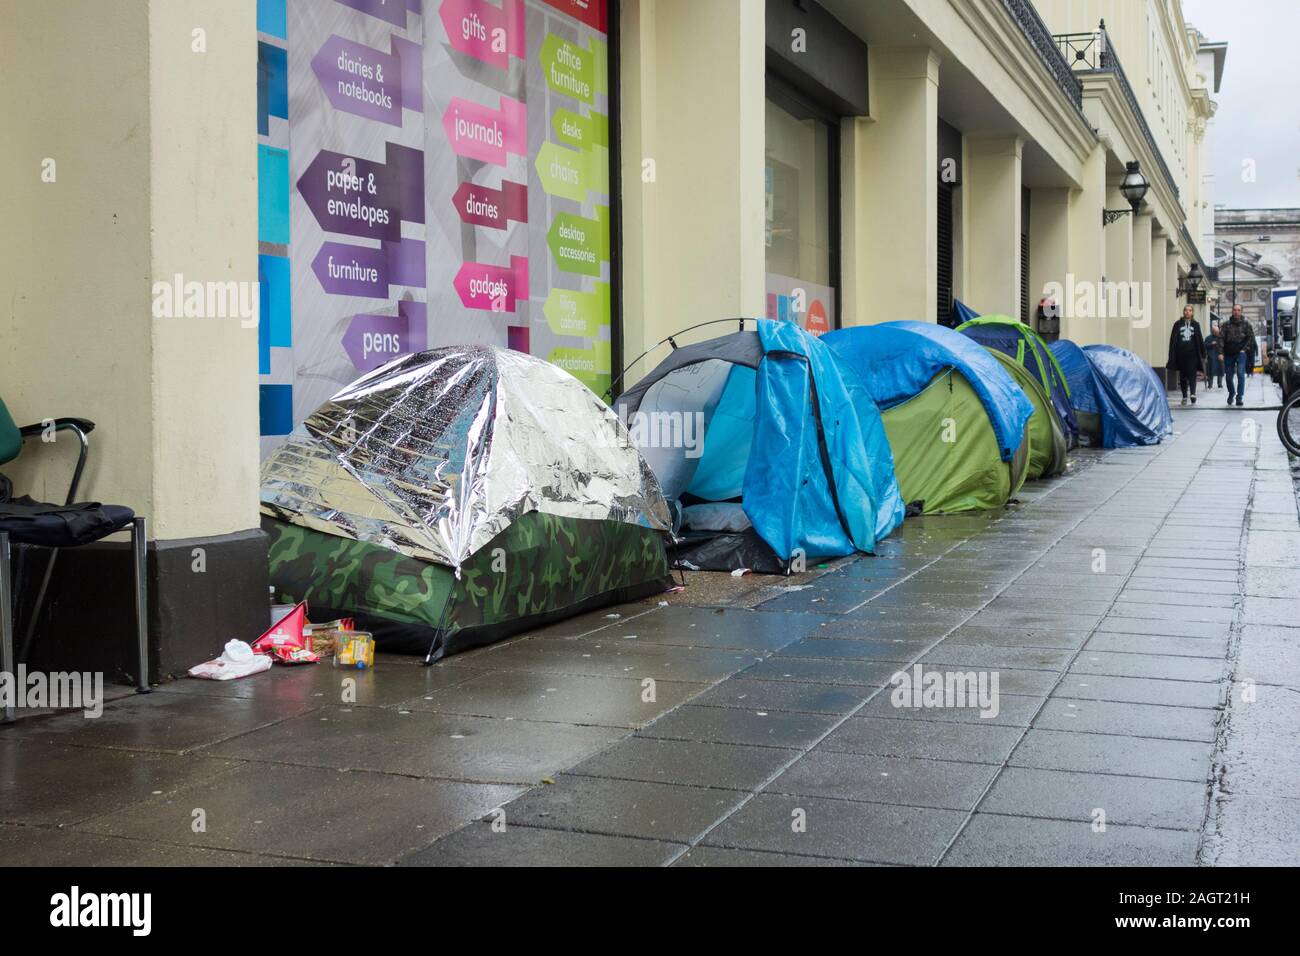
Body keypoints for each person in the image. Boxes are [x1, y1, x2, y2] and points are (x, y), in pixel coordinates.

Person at [1167, 304, 1205, 405]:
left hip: (1193, 355)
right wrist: (1172, 355)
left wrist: (1203, 353)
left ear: (1192, 313)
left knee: (1192, 375)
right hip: (1181, 354)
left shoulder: (1196, 324)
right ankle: (1184, 395)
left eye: (1189, 310)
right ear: (1183, 312)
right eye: (1186, 310)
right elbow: (1173, 340)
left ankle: (1192, 393)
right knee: (1183, 376)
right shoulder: (1177, 324)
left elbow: (1200, 339)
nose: (1187, 312)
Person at [1221, 304, 1256, 407]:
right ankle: (1231, 393)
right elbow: (1221, 339)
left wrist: (1244, 349)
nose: (1236, 312)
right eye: (1234, 310)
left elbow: (1251, 338)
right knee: (1228, 377)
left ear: (1241, 312)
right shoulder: (1226, 325)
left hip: (1240, 353)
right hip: (1228, 352)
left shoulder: (1246, 324)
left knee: (1241, 374)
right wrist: (1220, 352)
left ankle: (1239, 396)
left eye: (1238, 310)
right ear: (1232, 311)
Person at [1205, 321, 1223, 390]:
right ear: (1212, 332)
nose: (1217, 333)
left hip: (1219, 356)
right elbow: (1205, 345)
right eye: (1215, 332)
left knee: (1220, 370)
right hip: (1211, 357)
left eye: (1217, 332)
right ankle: (1210, 384)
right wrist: (1211, 344)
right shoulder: (1208, 338)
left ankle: (1220, 384)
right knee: (1210, 371)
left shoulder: (1221, 337)